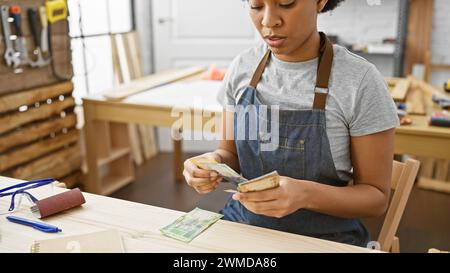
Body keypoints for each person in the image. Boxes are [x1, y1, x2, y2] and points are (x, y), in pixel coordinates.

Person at [183, 0, 400, 247]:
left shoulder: (360, 81)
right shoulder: (242, 67)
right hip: (244, 226)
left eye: (286, 3)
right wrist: (213, 163)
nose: (268, 21)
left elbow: (376, 197)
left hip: (326, 240)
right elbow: (229, 153)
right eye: (256, 6)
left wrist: (306, 194)